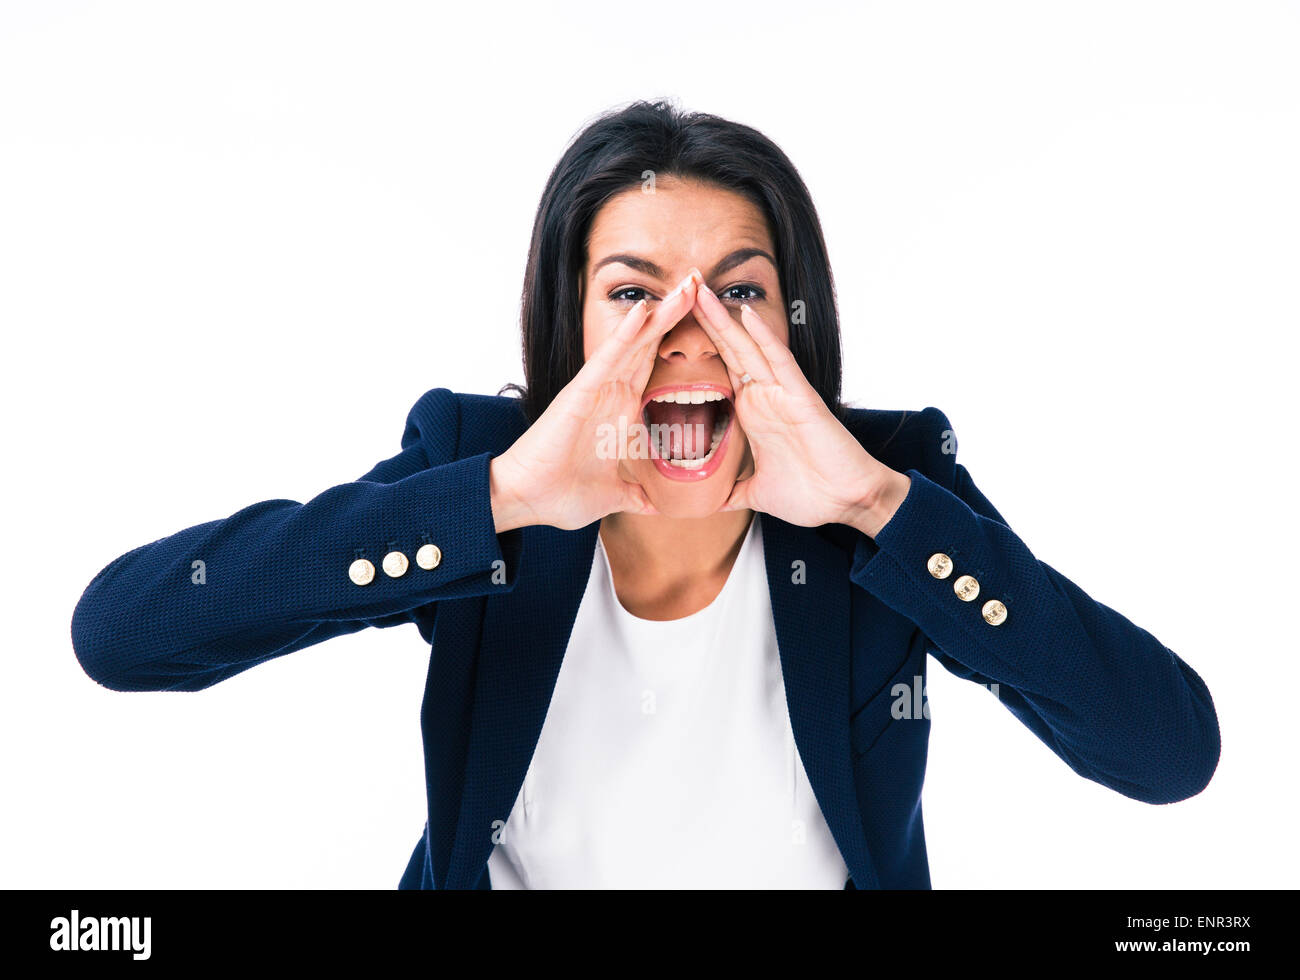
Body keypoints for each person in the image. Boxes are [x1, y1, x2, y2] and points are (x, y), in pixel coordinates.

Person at [70, 100, 1220, 889]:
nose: (689, 335)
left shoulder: (889, 487)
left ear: (796, 320)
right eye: (632, 294)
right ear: (567, 324)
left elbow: (1168, 752)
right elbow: (125, 631)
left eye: (740, 292)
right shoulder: (480, 462)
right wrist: (500, 498)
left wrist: (877, 507)